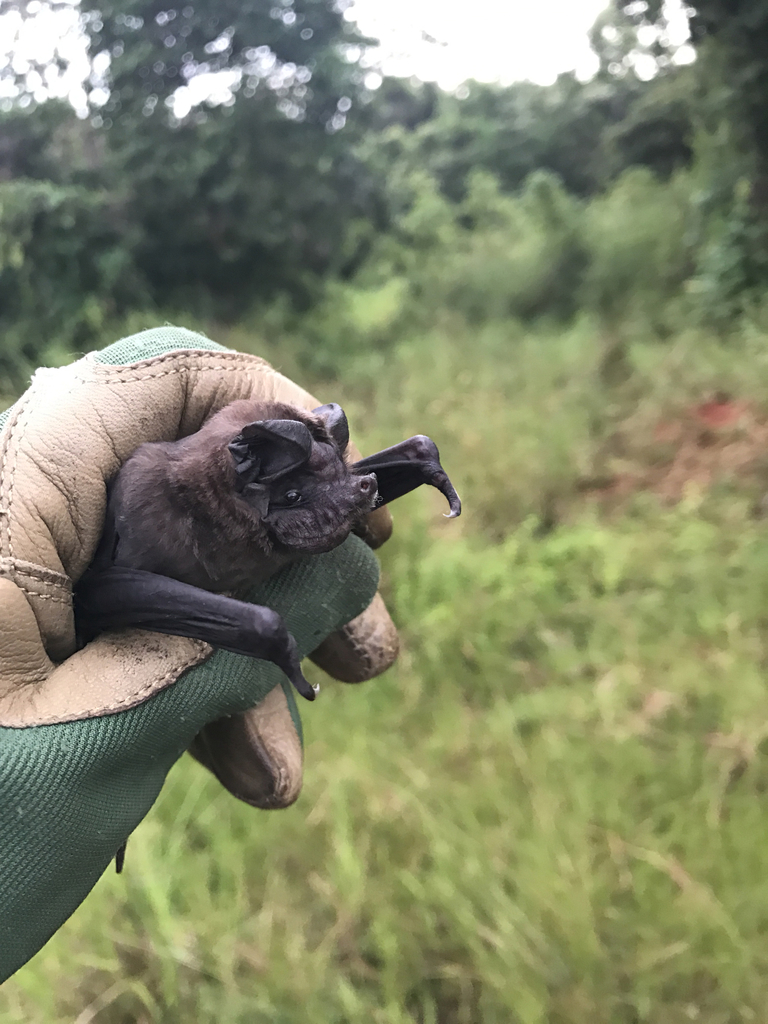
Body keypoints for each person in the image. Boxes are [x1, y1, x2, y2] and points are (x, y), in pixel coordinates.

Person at [0, 327, 399, 983]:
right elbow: (104, 589)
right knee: (255, 625)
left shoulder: (266, 486)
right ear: (239, 473)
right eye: (292, 490)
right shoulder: (167, 508)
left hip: (189, 580)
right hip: (122, 594)